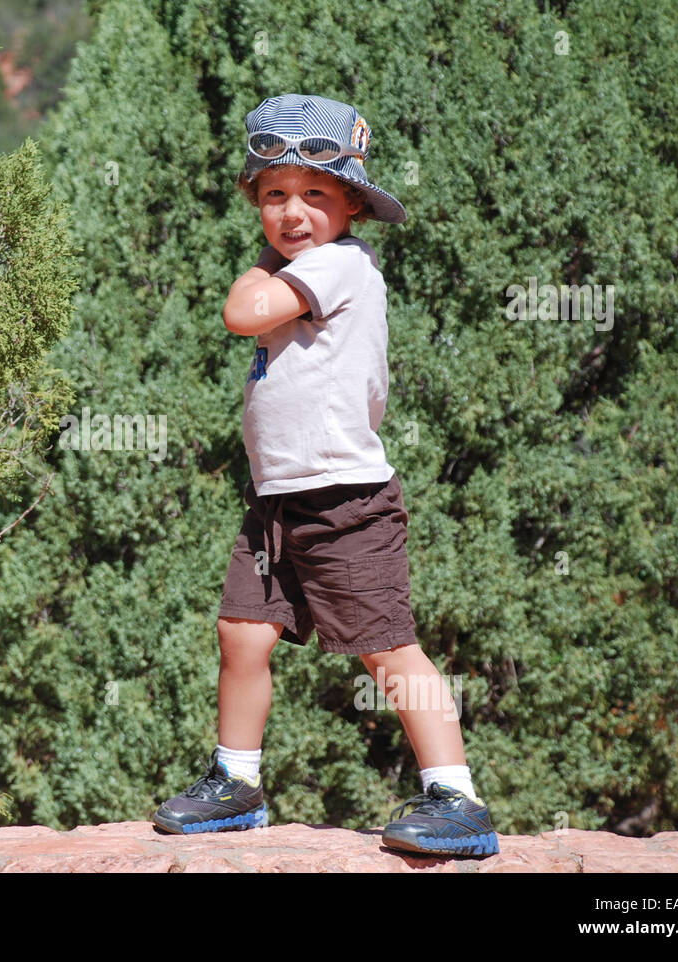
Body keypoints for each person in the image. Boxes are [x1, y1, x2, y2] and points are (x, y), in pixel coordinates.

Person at [151, 94, 499, 857]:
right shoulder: (308, 266)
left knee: (387, 649)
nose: (293, 211)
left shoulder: (339, 265)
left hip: (346, 499)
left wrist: (258, 271)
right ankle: (236, 782)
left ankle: (456, 796)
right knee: (241, 633)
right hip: (277, 498)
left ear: (353, 208)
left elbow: (242, 313)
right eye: (274, 194)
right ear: (254, 199)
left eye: (316, 193)